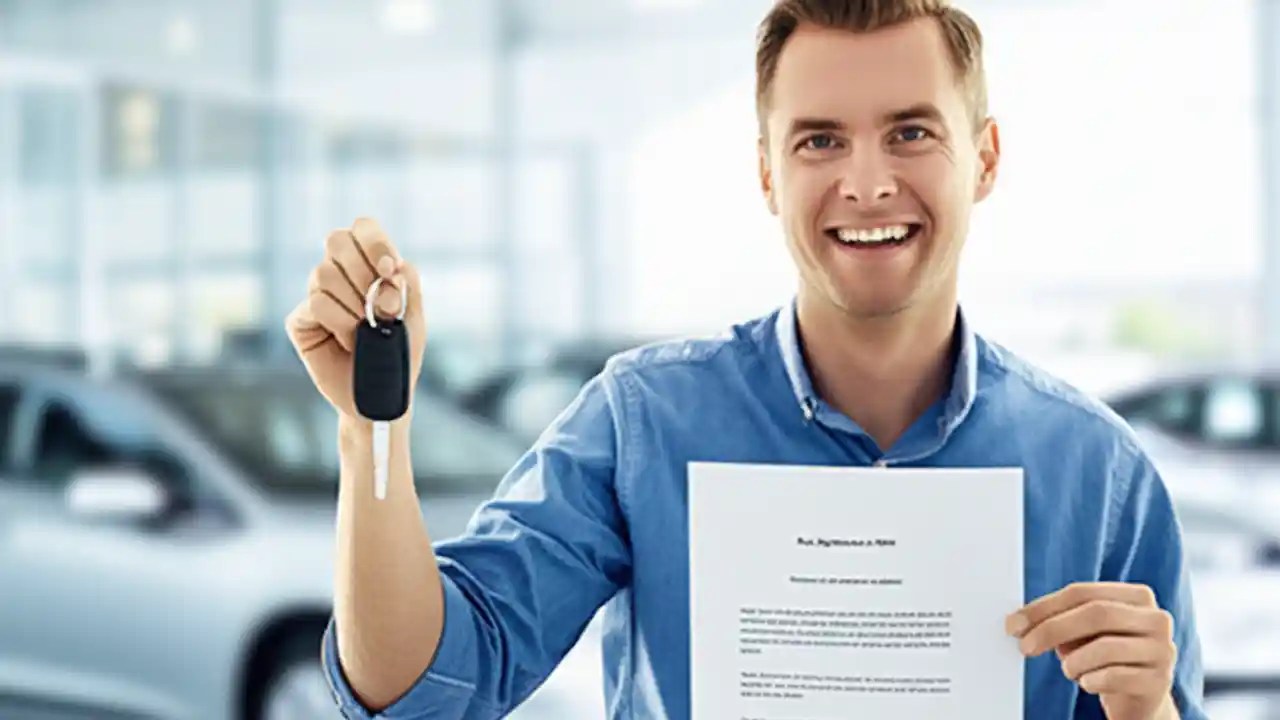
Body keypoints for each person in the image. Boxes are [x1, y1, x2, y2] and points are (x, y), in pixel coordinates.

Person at [284, 1, 1208, 718]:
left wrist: (1146, 710)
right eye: (819, 140)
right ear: (768, 172)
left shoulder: (1098, 471)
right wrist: (376, 432)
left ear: (986, 158)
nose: (868, 181)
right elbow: (422, 687)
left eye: (912, 132)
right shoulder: (644, 424)